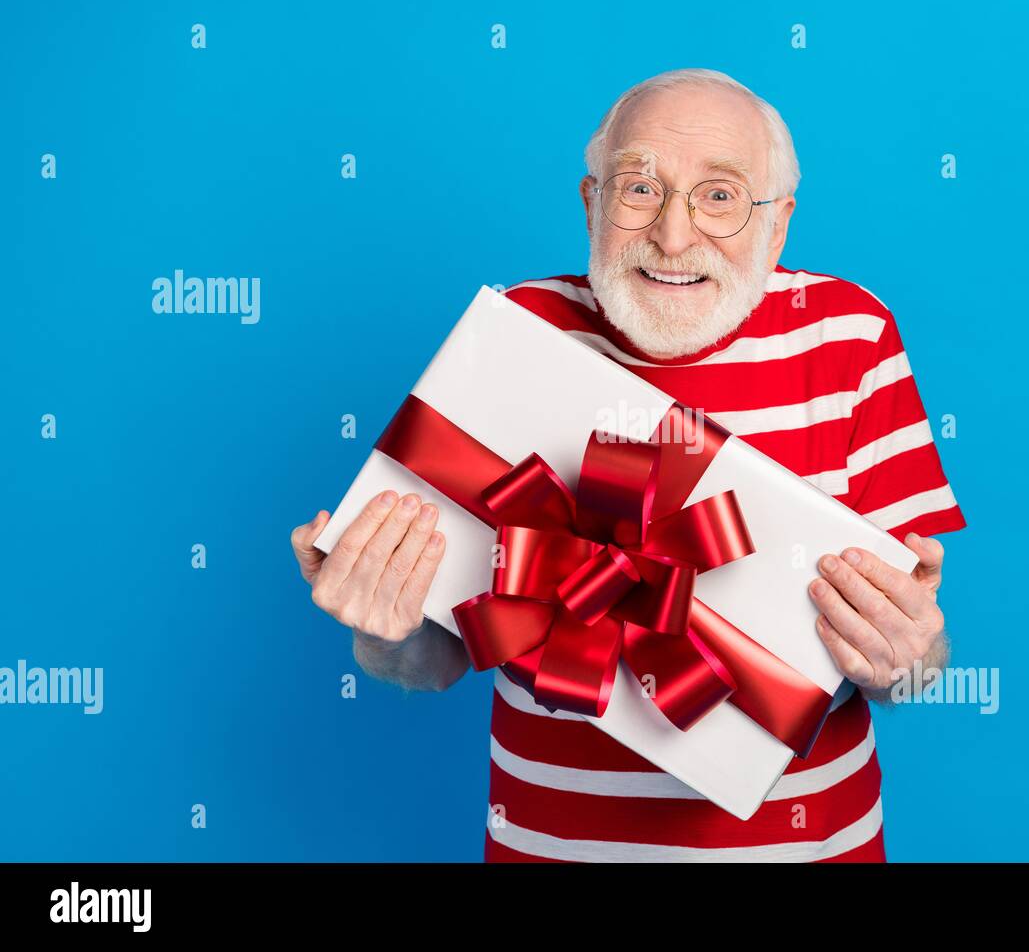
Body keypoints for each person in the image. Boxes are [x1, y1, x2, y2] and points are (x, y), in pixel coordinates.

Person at [289, 68, 965, 861]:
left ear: (778, 226)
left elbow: (909, 680)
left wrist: (910, 655)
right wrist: (380, 633)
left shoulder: (851, 340)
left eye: (719, 196)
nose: (673, 237)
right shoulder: (518, 333)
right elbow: (434, 660)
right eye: (639, 188)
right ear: (592, 203)